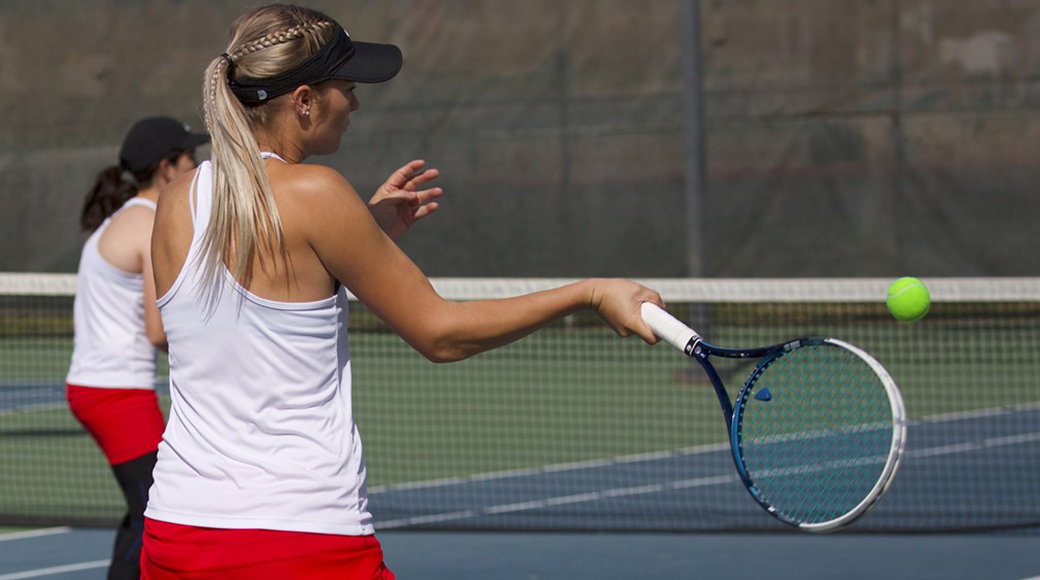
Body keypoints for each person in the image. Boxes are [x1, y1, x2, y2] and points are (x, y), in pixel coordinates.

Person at [143, 4, 663, 578]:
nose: (356, 104)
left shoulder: (177, 199)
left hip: (175, 535)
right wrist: (589, 293)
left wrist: (358, 237)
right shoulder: (317, 193)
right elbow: (441, 335)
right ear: (305, 100)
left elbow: (200, 323)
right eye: (347, 88)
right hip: (299, 542)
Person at [66, 116, 208, 580]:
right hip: (116, 395)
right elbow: (158, 329)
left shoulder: (122, 216)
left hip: (101, 390)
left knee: (145, 506)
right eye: (190, 156)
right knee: (156, 511)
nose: (197, 163)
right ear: (168, 168)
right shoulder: (149, 224)